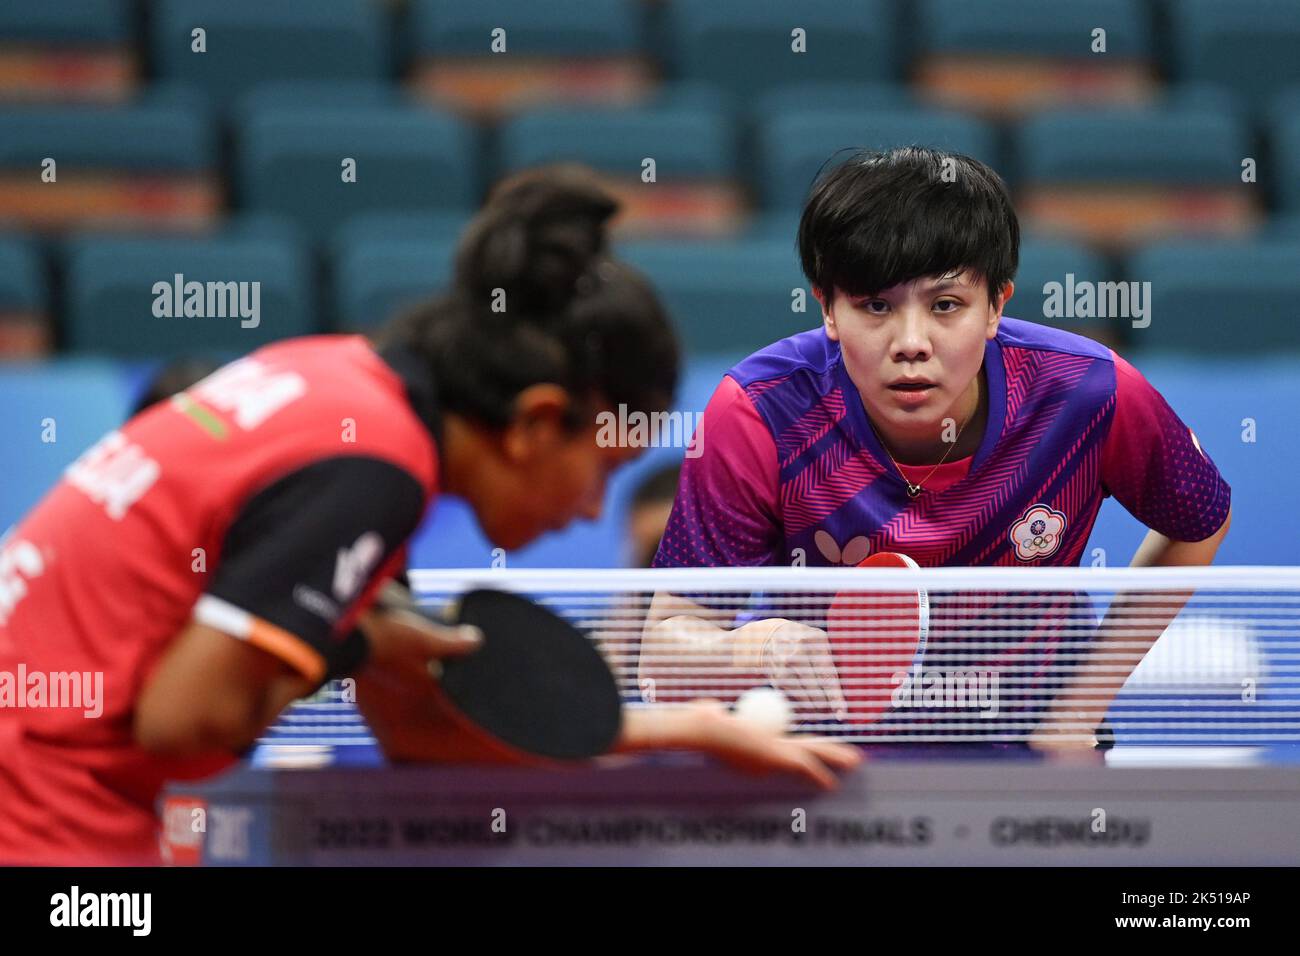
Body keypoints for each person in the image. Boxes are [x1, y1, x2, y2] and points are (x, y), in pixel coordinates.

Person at [0, 166, 858, 865]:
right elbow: (186, 717)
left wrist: (692, 729)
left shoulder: (343, 390)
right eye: (601, 468)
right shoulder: (369, 463)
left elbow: (415, 726)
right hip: (41, 812)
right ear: (535, 423)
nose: (592, 507)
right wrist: (361, 644)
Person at [642, 147, 1232, 749]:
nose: (911, 342)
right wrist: (755, 646)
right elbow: (663, 652)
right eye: (875, 305)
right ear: (827, 308)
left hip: (1028, 745)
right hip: (823, 752)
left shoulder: (1087, 393)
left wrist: (1076, 715)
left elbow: (1200, 521)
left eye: (945, 305)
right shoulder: (760, 411)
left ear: (997, 305)